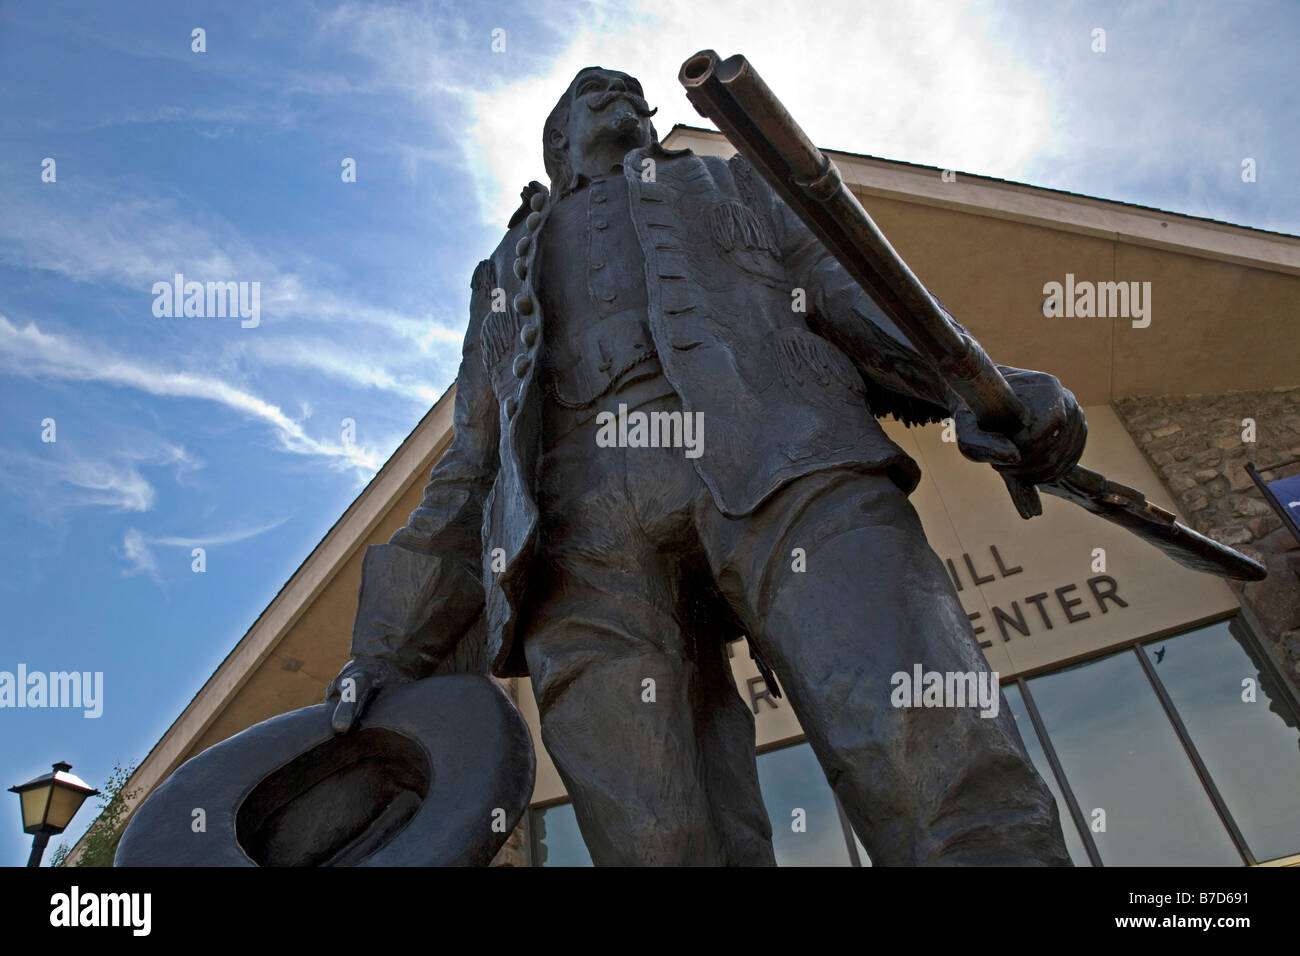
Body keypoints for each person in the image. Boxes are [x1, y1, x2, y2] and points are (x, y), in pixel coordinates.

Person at [327, 66, 1083, 866]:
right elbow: (473, 458)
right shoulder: (502, 274)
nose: (622, 98)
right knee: (652, 837)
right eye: (597, 93)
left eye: (632, 92)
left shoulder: (736, 182)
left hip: (786, 453)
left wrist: (978, 385)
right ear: (558, 140)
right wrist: (388, 648)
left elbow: (846, 293)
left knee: (922, 730)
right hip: (580, 539)